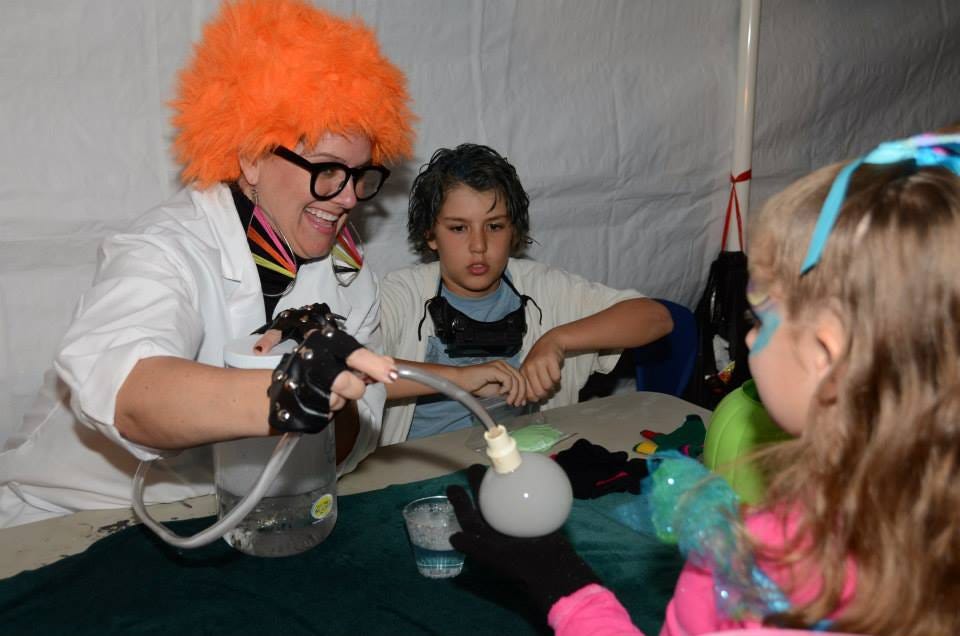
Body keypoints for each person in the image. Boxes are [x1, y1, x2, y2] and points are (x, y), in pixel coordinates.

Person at [446, 132, 960, 635]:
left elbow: (656, 318)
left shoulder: (770, 584)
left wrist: (558, 580)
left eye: (761, 317)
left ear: (824, 353)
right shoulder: (909, 527)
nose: (749, 337)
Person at [0, 0, 415, 528]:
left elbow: (348, 440)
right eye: (327, 170)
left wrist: (340, 390)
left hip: (236, 516)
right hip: (68, 517)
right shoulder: (165, 247)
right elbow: (128, 391)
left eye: (359, 175)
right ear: (252, 158)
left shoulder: (346, 275)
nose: (349, 197)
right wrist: (291, 392)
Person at [379, 143, 673, 442]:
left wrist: (556, 341)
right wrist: (460, 378)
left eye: (495, 226)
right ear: (430, 234)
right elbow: (353, 373)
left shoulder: (544, 288)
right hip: (423, 463)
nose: (478, 246)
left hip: (528, 457)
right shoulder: (402, 295)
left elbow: (656, 318)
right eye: (458, 228)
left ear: (514, 231)